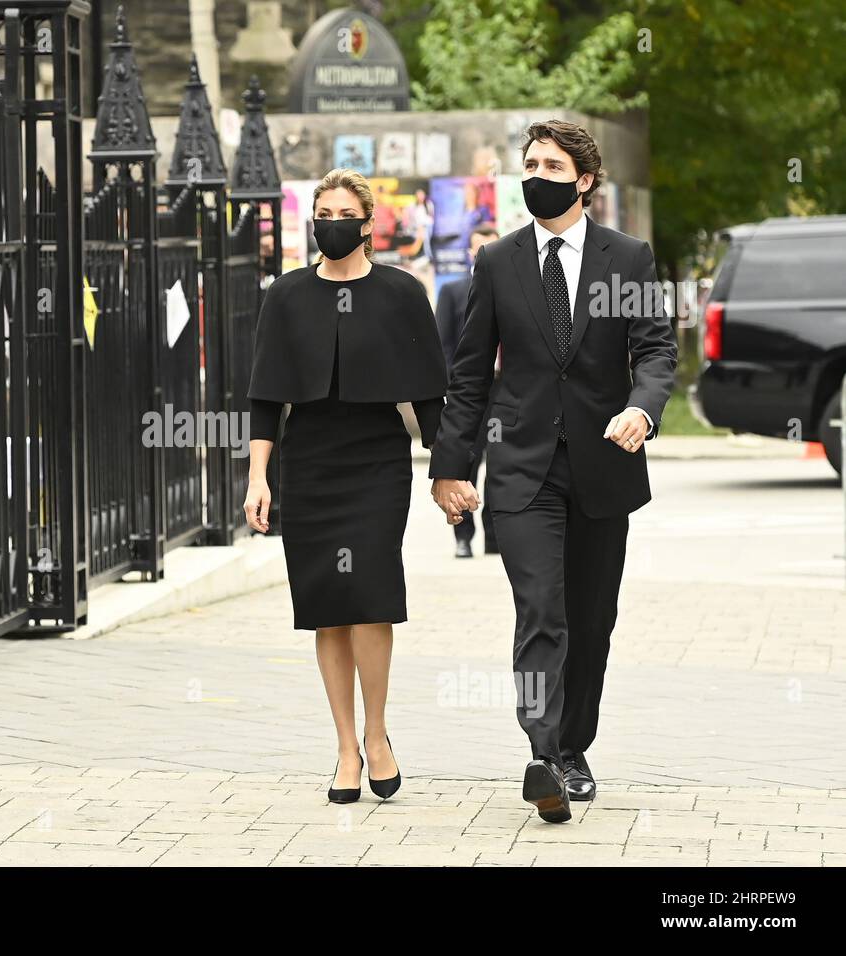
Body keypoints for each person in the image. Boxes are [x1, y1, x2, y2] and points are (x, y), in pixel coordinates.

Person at [428, 121, 677, 823]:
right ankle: (541, 752)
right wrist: (450, 469)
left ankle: (573, 747)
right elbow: (469, 377)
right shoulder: (497, 262)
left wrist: (643, 409)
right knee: (541, 610)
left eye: (552, 163)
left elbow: (656, 351)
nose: (537, 172)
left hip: (605, 464)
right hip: (523, 473)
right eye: (530, 162)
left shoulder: (626, 258)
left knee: (591, 621)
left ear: (585, 180)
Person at [243, 168, 447, 804]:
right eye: (321, 211)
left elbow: (431, 395)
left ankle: (379, 733)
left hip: (377, 463)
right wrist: (258, 478)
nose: (330, 221)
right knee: (327, 605)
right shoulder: (285, 297)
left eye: (342, 211)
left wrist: (450, 471)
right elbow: (265, 398)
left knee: (370, 593)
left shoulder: (401, 293)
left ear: (367, 223)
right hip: (309, 465)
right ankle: (345, 748)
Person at [434, 225, 499, 558]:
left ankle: (494, 537)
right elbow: (443, 345)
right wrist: (453, 393)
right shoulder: (454, 292)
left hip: (504, 397)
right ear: (470, 252)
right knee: (466, 466)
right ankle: (462, 536)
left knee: (500, 468)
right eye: (479, 246)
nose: (484, 251)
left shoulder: (513, 289)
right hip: (470, 395)